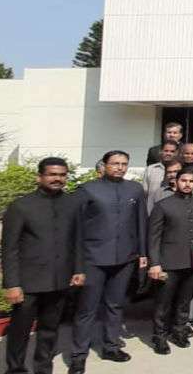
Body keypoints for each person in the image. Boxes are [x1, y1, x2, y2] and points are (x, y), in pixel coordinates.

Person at [1, 157, 82, 374]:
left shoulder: (72, 203)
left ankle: (43, 367)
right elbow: (9, 248)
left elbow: (77, 240)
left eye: (62, 175)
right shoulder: (21, 206)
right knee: (20, 330)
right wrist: (12, 284)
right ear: (40, 177)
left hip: (59, 279)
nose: (58, 179)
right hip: (28, 282)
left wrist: (79, 269)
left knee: (50, 329)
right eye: (52, 174)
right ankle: (15, 368)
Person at [70, 151, 147, 372]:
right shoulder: (87, 190)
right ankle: (78, 354)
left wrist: (142, 253)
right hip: (93, 258)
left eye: (124, 164)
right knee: (87, 309)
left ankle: (111, 346)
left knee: (115, 304)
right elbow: (76, 228)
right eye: (115, 163)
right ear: (104, 165)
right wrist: (77, 263)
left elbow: (141, 222)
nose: (120, 167)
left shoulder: (134, 189)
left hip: (125, 257)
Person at [147, 170, 193, 354]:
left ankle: (179, 330)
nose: (187, 184)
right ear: (176, 182)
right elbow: (153, 237)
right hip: (169, 262)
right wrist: (155, 263)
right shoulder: (163, 205)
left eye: (191, 181)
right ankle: (159, 336)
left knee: (185, 300)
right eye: (183, 180)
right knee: (163, 303)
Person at [143, 142, 180, 213]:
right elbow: (145, 193)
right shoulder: (151, 169)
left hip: (175, 212)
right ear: (160, 151)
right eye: (166, 151)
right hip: (152, 211)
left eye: (172, 151)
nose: (168, 153)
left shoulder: (181, 169)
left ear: (177, 153)